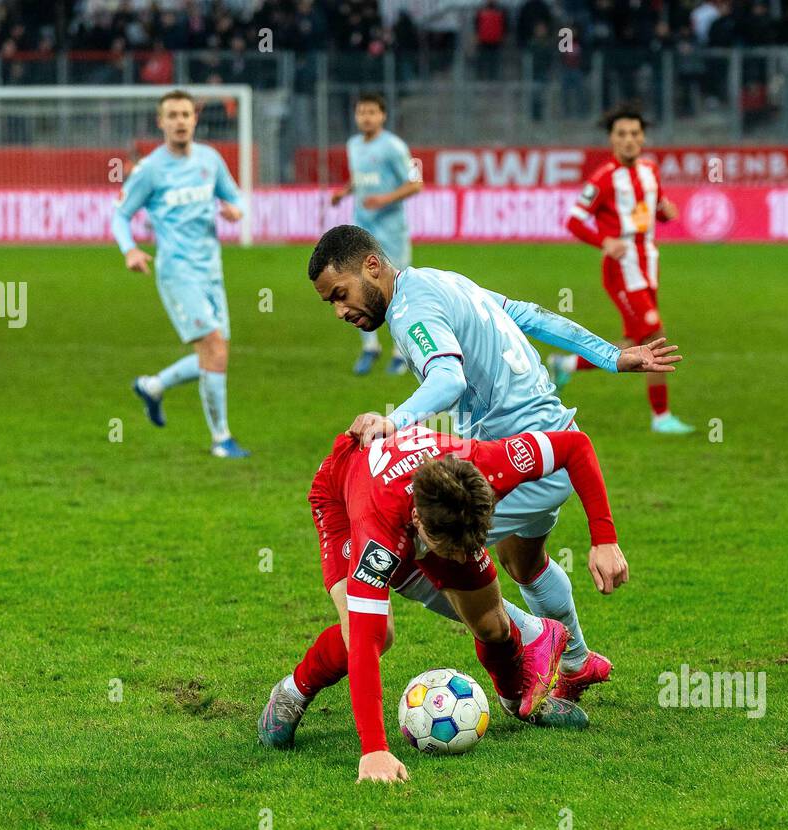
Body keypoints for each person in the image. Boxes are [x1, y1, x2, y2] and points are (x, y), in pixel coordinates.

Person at [307, 225, 680, 701]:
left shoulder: (408, 310)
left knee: (413, 548)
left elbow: (447, 378)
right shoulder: (441, 279)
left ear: (372, 266)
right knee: (522, 563)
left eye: (341, 294)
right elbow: (530, 315)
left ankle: (533, 640)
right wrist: (610, 356)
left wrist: (393, 420)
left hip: (524, 449)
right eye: (331, 303)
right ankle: (577, 662)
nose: (341, 310)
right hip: (549, 440)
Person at [259, 424, 630, 783]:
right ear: (419, 522)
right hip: (343, 500)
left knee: (492, 624)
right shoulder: (379, 532)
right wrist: (374, 749)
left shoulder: (487, 463)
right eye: (450, 551)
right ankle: (293, 690)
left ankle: (516, 699)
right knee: (376, 633)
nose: (459, 558)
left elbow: (574, 446)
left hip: (429, 514)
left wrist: (605, 537)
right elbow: (365, 642)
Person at [112, 89, 251, 458]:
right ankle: (221, 440)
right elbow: (120, 214)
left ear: (195, 119)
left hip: (211, 270)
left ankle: (153, 386)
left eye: (185, 114)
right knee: (214, 350)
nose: (179, 121)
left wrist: (235, 210)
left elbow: (235, 197)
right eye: (171, 115)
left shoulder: (210, 159)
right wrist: (130, 250)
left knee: (215, 355)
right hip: (177, 271)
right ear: (161, 122)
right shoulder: (151, 170)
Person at [557, 107, 695, 435]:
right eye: (622, 134)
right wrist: (604, 241)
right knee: (653, 334)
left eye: (635, 133)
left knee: (634, 339)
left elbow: (654, 208)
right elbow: (574, 220)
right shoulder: (603, 178)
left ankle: (567, 363)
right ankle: (661, 416)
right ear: (612, 139)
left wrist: (666, 213)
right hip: (621, 270)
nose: (629, 140)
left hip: (648, 264)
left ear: (643, 137)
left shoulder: (650, 170)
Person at [330, 93, 421, 376]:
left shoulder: (394, 146)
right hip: (362, 230)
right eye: (361, 112)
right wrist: (345, 192)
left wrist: (384, 199)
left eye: (372, 112)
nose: (366, 117)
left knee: (395, 291)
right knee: (356, 285)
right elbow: (361, 177)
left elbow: (416, 183)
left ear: (382, 115)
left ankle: (400, 352)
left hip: (391, 231)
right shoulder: (353, 145)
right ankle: (370, 346)